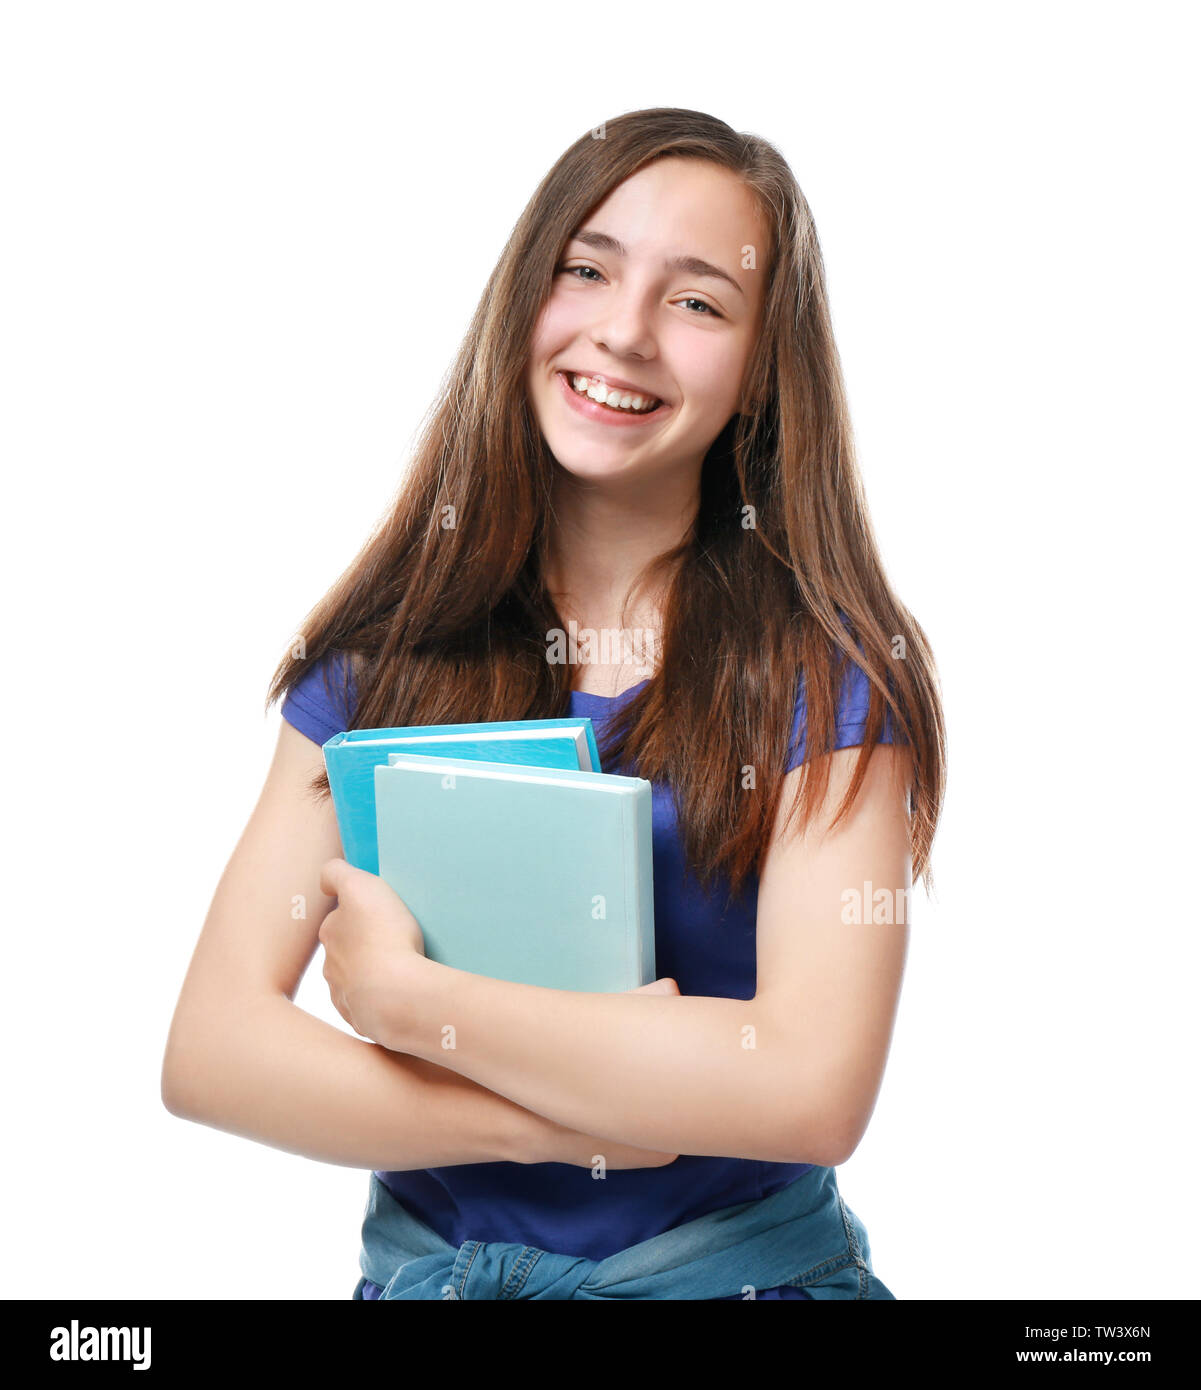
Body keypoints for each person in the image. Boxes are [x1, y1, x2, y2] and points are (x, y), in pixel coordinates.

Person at [162, 106, 945, 1300]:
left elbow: (806, 1088)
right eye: (586, 270)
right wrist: (547, 1121)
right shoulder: (388, 657)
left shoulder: (824, 676)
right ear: (525, 296)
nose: (623, 334)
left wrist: (414, 1002)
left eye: (697, 302)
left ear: (759, 373)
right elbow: (213, 1051)